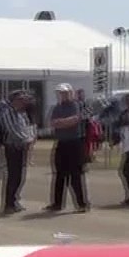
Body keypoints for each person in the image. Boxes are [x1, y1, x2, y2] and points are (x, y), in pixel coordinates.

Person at [45, 83, 89, 213]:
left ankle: (82, 204)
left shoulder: (75, 105)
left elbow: (74, 120)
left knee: (75, 175)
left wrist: (63, 122)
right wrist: (65, 122)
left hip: (74, 143)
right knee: (59, 175)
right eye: (60, 93)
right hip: (62, 142)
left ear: (70, 93)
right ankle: (57, 203)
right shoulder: (57, 108)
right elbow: (53, 123)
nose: (62, 95)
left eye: (65, 93)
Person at [0, 89, 36, 213]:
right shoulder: (6, 113)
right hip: (12, 147)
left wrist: (30, 138)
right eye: (21, 99)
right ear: (14, 101)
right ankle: (8, 204)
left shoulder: (22, 113)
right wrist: (26, 139)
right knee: (13, 176)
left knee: (20, 176)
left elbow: (26, 128)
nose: (24, 102)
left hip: (22, 147)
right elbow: (11, 130)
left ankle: (14, 200)